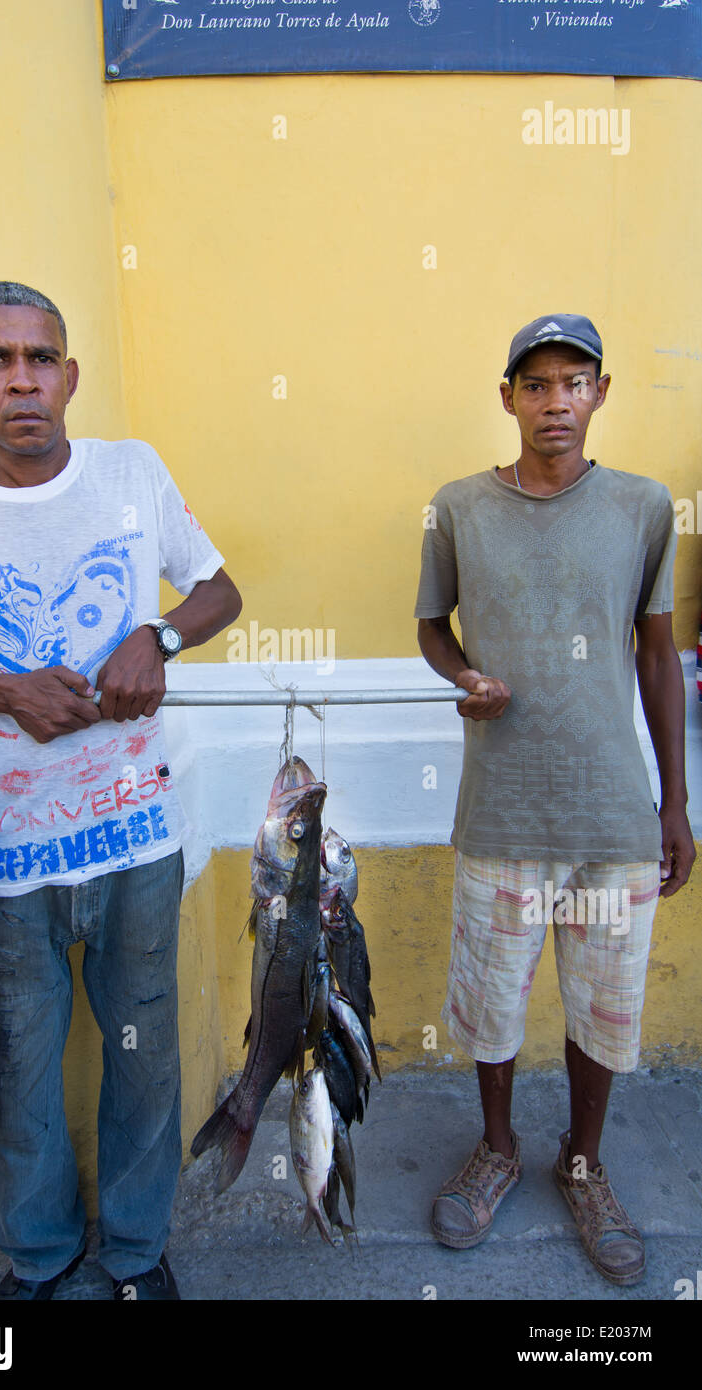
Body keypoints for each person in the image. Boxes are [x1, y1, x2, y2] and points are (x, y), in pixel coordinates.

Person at [0, 281, 242, 1301]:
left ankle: (133, 1252)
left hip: (136, 838)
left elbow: (218, 588)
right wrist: (0, 690)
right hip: (8, 853)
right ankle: (39, 1260)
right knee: (22, 1068)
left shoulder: (132, 475)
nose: (20, 379)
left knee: (144, 1059)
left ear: (69, 375)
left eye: (39, 357)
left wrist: (154, 636)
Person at [415, 313, 695, 1286]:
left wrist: (674, 804)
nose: (554, 401)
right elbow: (430, 626)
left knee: (604, 1005)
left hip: (612, 814)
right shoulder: (457, 508)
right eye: (535, 384)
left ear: (600, 394)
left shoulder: (641, 507)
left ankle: (582, 1160)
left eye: (574, 382)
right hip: (501, 805)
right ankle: (496, 1146)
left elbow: (656, 654)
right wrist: (464, 675)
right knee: (492, 999)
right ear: (508, 399)